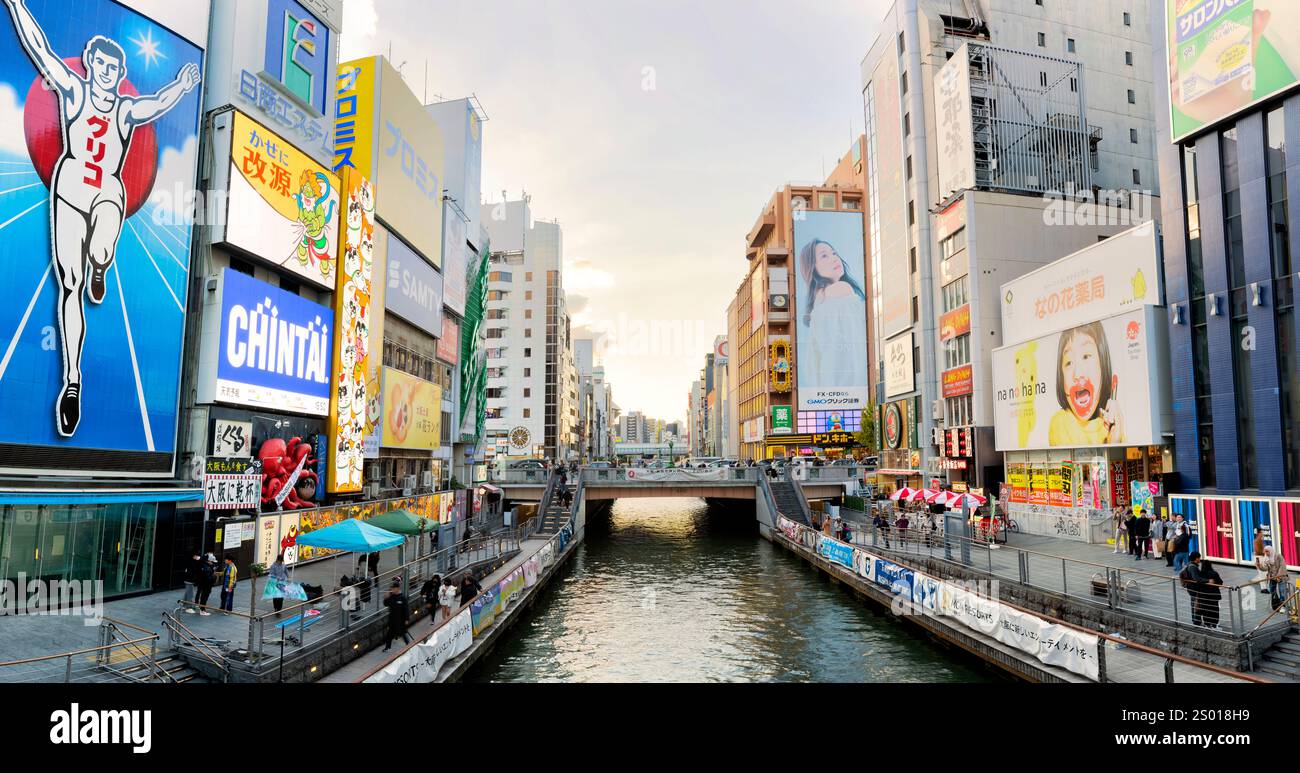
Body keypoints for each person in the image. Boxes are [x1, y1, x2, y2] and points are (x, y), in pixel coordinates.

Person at [2, 0, 201, 436]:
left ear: (119, 72)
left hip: (107, 189)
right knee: (69, 287)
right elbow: (40, 51)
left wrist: (184, 87)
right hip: (70, 189)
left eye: (116, 67)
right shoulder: (73, 91)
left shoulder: (124, 111)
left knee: (106, 231)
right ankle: (72, 382)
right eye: (103, 64)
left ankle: (101, 261)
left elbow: (157, 103)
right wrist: (16, 5)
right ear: (92, 65)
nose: (109, 72)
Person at [798, 238, 869, 389]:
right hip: (851, 388)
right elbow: (858, 346)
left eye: (834, 253)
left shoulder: (819, 302)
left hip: (829, 388)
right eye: (824, 256)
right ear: (813, 267)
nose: (834, 258)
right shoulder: (841, 289)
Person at [1047, 322, 1124, 447]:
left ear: (1103, 363)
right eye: (1069, 362)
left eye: (1086, 356)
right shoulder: (1060, 424)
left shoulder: (1114, 426)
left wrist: (1115, 442)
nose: (1077, 373)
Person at [381, 580, 412, 652]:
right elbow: (386, 604)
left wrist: (407, 619)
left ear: (397, 588)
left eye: (393, 588)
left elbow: (406, 609)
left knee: (403, 634)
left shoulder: (402, 598)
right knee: (389, 634)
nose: (392, 590)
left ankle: (409, 646)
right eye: (391, 588)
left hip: (400, 620)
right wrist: (386, 598)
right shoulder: (391, 596)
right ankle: (387, 647)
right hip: (392, 620)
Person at [1180, 552, 1207, 627]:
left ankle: (1196, 621)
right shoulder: (1193, 567)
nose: (1200, 559)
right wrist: (1207, 580)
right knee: (1196, 604)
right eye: (1199, 557)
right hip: (1194, 588)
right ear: (1196, 558)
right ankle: (1196, 621)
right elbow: (1196, 578)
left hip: (1191, 588)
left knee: (1194, 603)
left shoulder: (1189, 564)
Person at [1198, 559, 1224, 630]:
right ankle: (1214, 625)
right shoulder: (1214, 573)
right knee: (1214, 610)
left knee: (1206, 609)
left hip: (1204, 595)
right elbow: (1220, 582)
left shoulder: (1200, 574)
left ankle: (1207, 624)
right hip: (1214, 595)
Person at [1263, 546, 1290, 610]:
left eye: (1267, 551)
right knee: (1272, 590)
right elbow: (1265, 568)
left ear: (1271, 550)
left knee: (1282, 592)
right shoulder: (1267, 558)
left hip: (1280, 577)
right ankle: (1277, 603)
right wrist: (1259, 566)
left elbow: (1282, 566)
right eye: (1265, 551)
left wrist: (1278, 576)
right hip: (1272, 577)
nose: (1266, 553)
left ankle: (1283, 606)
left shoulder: (1278, 556)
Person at [1253, 528, 1270, 594]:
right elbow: (1258, 551)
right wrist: (1264, 552)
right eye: (1261, 532)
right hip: (1259, 558)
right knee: (1262, 574)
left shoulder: (1260, 540)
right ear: (1258, 533)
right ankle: (1263, 588)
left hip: (1260, 558)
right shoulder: (1256, 541)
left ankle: (1264, 587)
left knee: (1264, 574)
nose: (1262, 534)